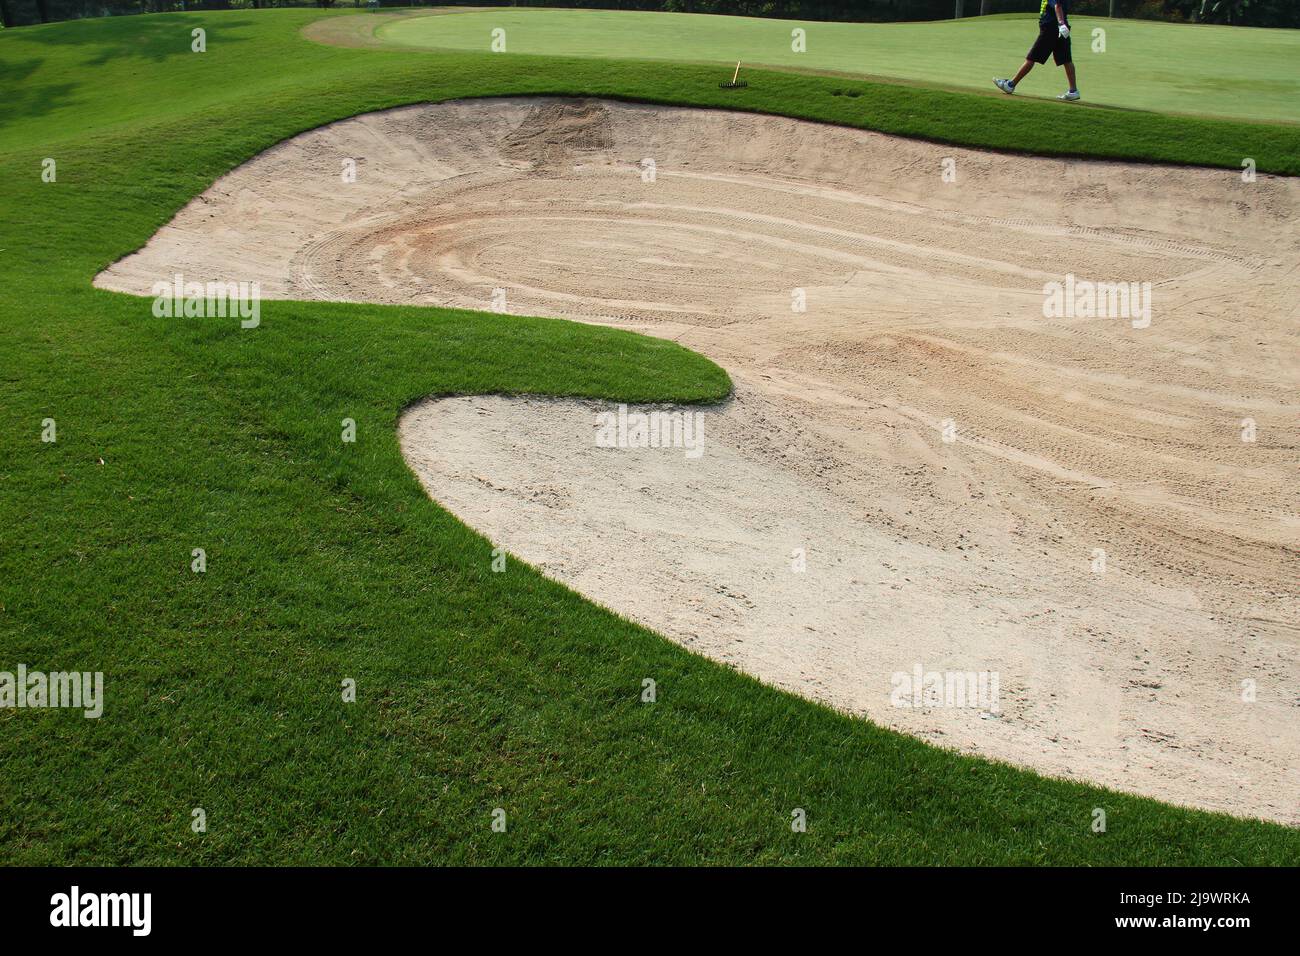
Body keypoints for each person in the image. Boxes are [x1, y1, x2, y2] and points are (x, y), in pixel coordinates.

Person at [994, 0, 1080, 102]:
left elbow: (1058, 6)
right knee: (1066, 60)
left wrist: (1060, 23)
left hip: (1051, 29)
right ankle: (1073, 91)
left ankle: (1010, 85)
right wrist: (1062, 25)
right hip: (1060, 29)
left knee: (1032, 57)